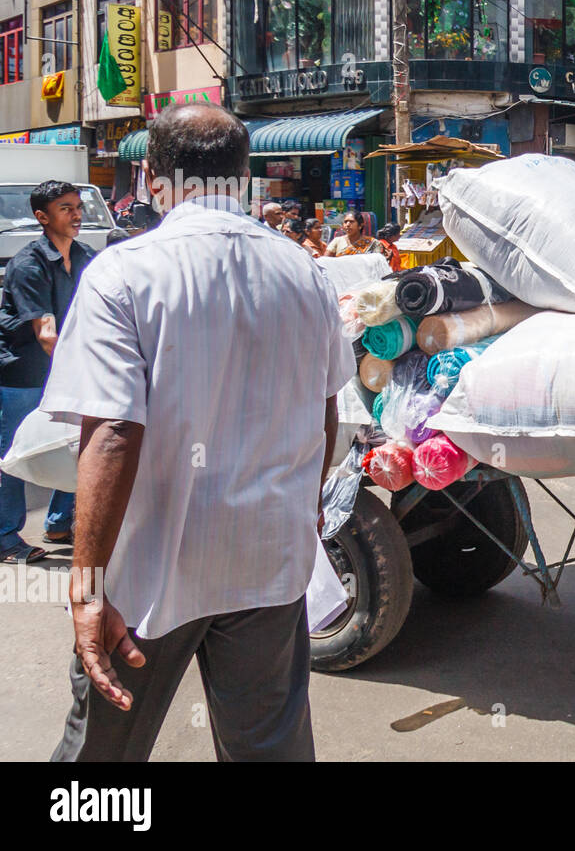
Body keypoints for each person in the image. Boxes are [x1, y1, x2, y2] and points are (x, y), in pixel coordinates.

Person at [41, 103, 353, 761]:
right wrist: (308, 502)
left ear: (152, 176)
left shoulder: (123, 274)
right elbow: (325, 412)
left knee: (102, 758)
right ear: (243, 176)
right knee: (268, 750)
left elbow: (112, 436)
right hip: (267, 566)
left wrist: (87, 588)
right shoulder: (305, 274)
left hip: (150, 571)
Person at [0, 181, 93, 564]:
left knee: (74, 445)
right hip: (24, 372)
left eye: (77, 206)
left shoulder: (86, 256)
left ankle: (59, 522)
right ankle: (5, 536)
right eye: (65, 208)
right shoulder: (28, 264)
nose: (76, 215)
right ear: (42, 217)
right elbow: (47, 335)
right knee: (15, 455)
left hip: (65, 369)